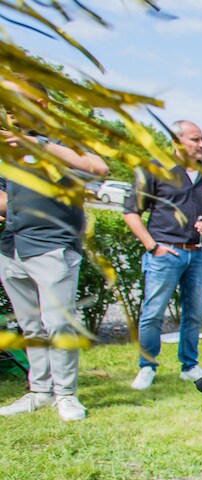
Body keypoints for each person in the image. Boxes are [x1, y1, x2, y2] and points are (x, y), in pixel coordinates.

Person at [0, 77, 108, 421]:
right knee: (30, 325)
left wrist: (37, 143)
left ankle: (66, 394)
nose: (9, 115)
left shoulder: (62, 142)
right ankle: (40, 391)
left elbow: (98, 167)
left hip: (52, 247)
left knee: (59, 323)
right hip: (12, 245)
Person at [125, 120, 202, 390]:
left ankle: (189, 365)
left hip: (198, 255)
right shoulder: (154, 169)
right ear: (176, 141)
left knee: (194, 313)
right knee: (153, 313)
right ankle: (147, 367)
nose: (201, 144)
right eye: (195, 139)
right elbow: (131, 212)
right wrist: (152, 246)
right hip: (165, 254)